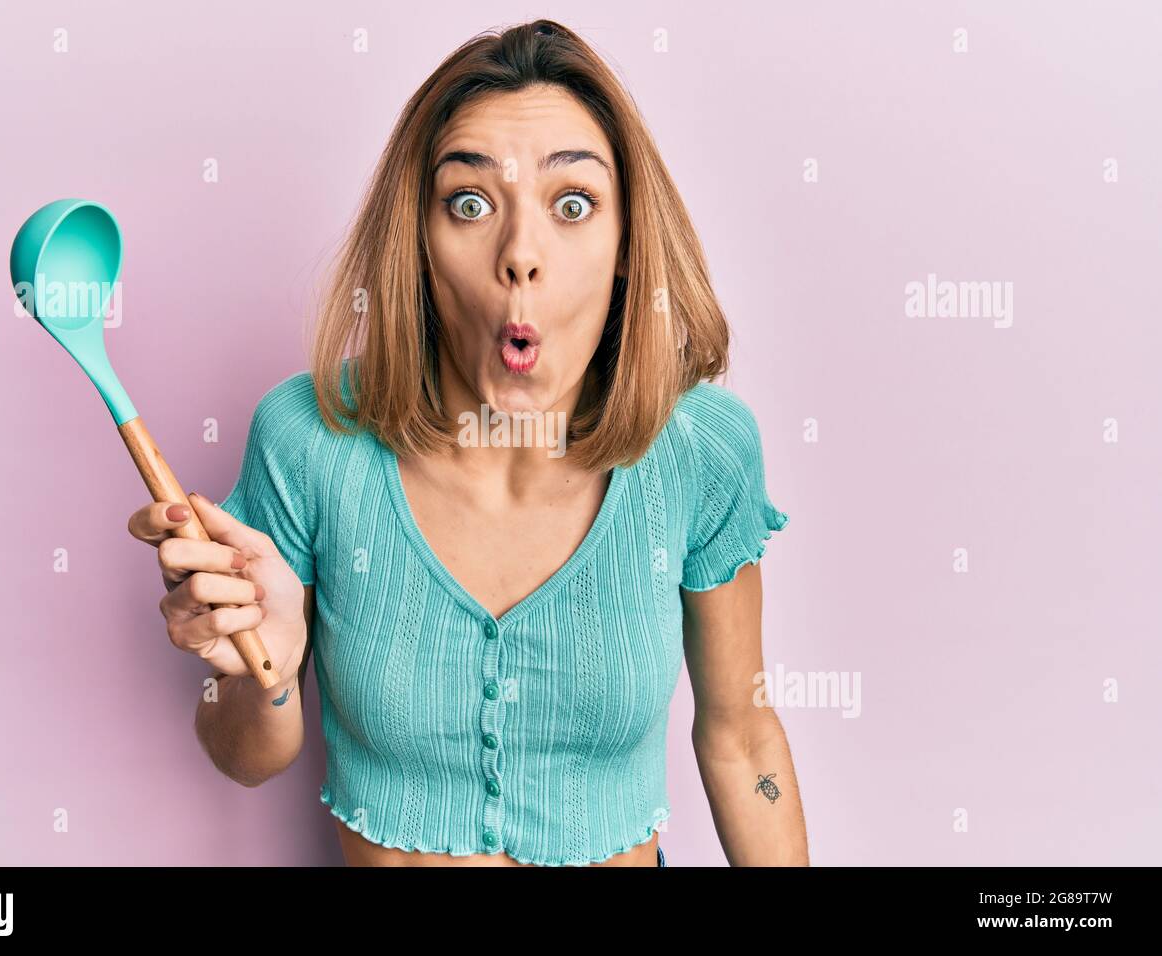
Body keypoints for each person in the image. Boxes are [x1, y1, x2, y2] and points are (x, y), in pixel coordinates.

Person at [127, 19, 807, 867]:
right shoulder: (308, 442)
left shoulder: (702, 451)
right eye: (470, 203)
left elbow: (742, 739)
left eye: (572, 205)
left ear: (629, 244)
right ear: (415, 244)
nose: (520, 255)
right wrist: (263, 677)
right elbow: (244, 756)